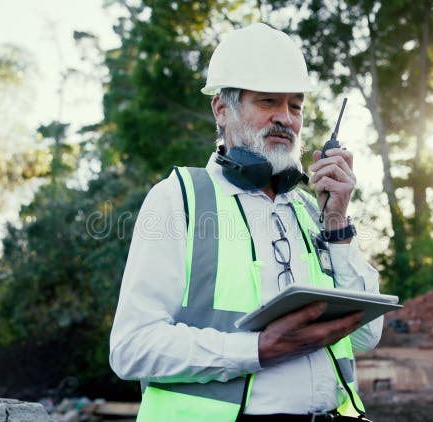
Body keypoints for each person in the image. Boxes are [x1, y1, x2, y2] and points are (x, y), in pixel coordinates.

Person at [109, 22, 384, 421]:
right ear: (222, 109)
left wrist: (337, 222)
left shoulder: (313, 211)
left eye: (294, 106)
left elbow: (365, 336)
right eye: (268, 102)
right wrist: (258, 349)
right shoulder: (179, 199)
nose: (285, 118)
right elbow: (131, 348)